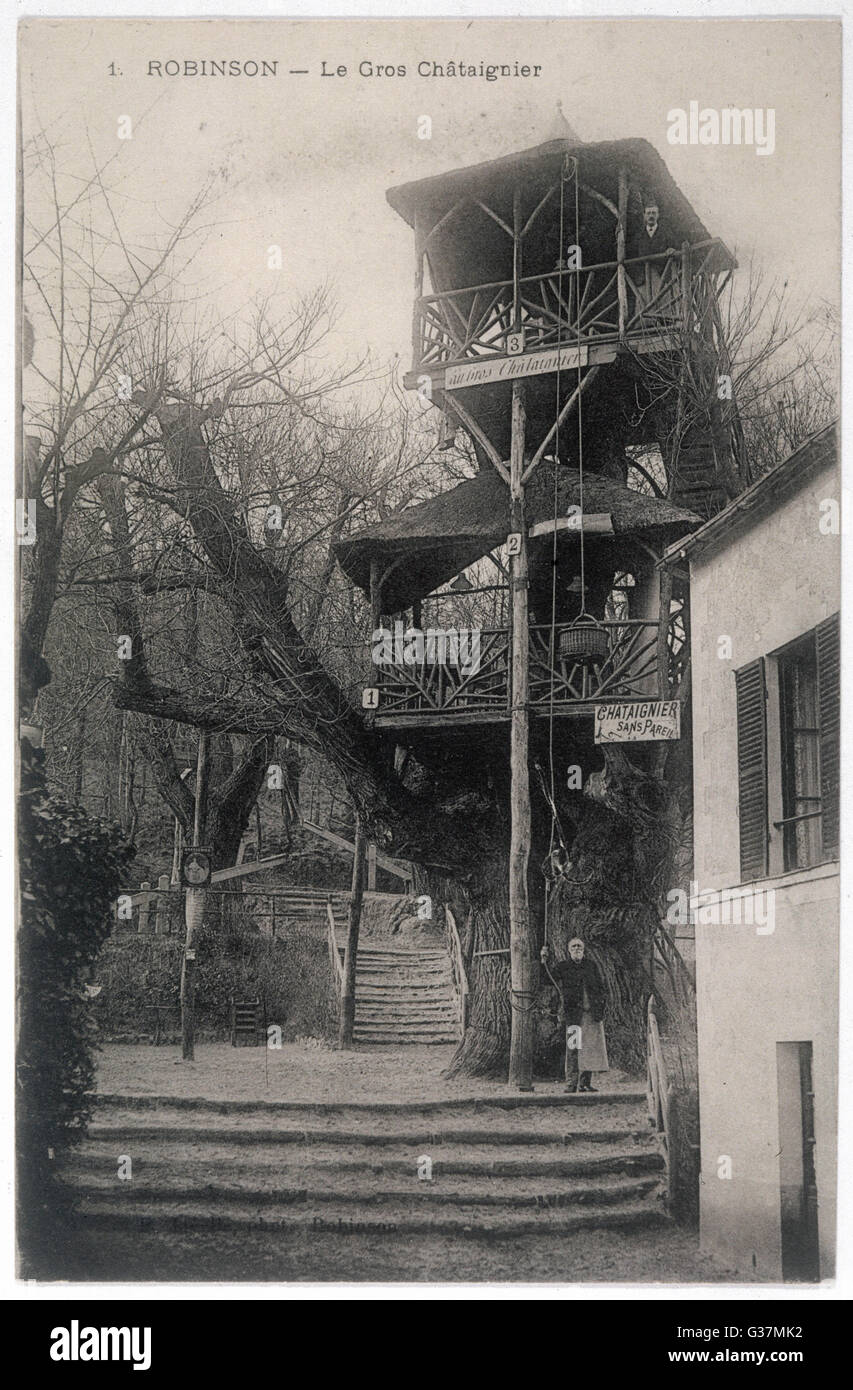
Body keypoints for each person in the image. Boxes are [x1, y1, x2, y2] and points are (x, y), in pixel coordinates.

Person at [540, 937, 609, 1092]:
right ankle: (571, 1083)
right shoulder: (563, 967)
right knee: (573, 1048)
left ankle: (585, 1083)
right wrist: (543, 959)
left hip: (591, 1015)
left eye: (579, 946)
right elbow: (547, 979)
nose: (577, 949)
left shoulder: (591, 966)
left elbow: (601, 987)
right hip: (573, 1015)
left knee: (589, 1047)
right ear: (569, 950)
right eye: (573, 946)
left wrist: (599, 1004)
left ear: (583, 950)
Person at [627, 199, 678, 320]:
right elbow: (630, 254)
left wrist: (672, 249)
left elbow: (675, 246)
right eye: (648, 213)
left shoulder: (666, 232)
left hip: (661, 274)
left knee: (662, 300)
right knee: (644, 302)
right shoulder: (639, 235)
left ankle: (665, 322)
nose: (651, 216)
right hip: (643, 276)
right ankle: (644, 325)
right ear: (644, 216)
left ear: (658, 215)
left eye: (654, 213)